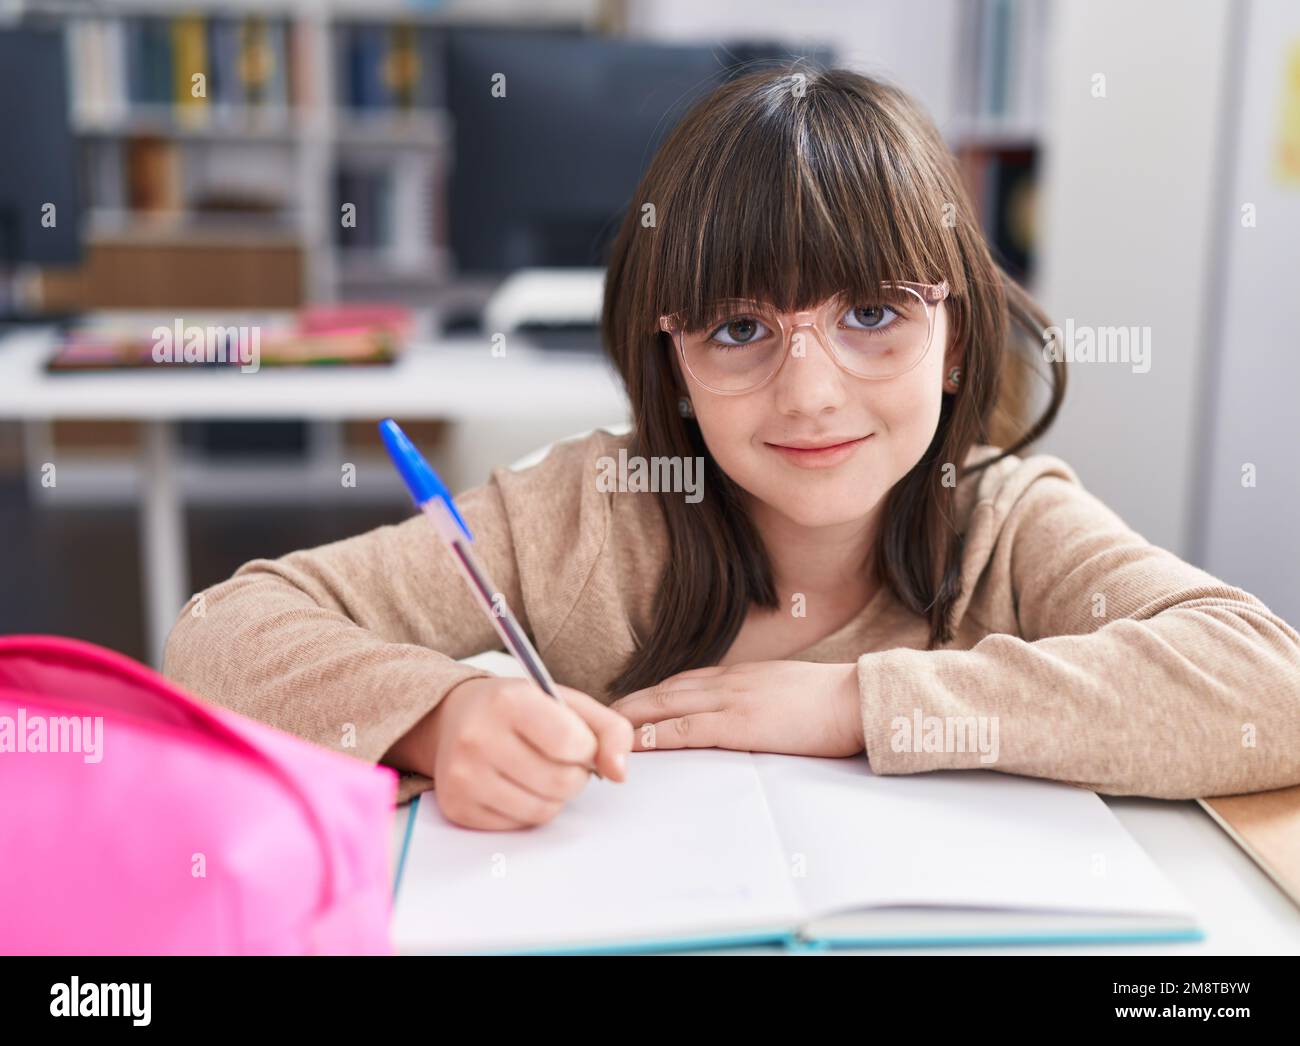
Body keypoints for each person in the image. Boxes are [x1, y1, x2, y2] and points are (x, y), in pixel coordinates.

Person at [164, 66, 1300, 830]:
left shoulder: (999, 518)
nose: (809, 393)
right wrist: (435, 713)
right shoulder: (588, 515)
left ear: (955, 338)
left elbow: (1272, 689)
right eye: (740, 328)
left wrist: (856, 703)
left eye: (872, 314)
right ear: (673, 362)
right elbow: (216, 633)